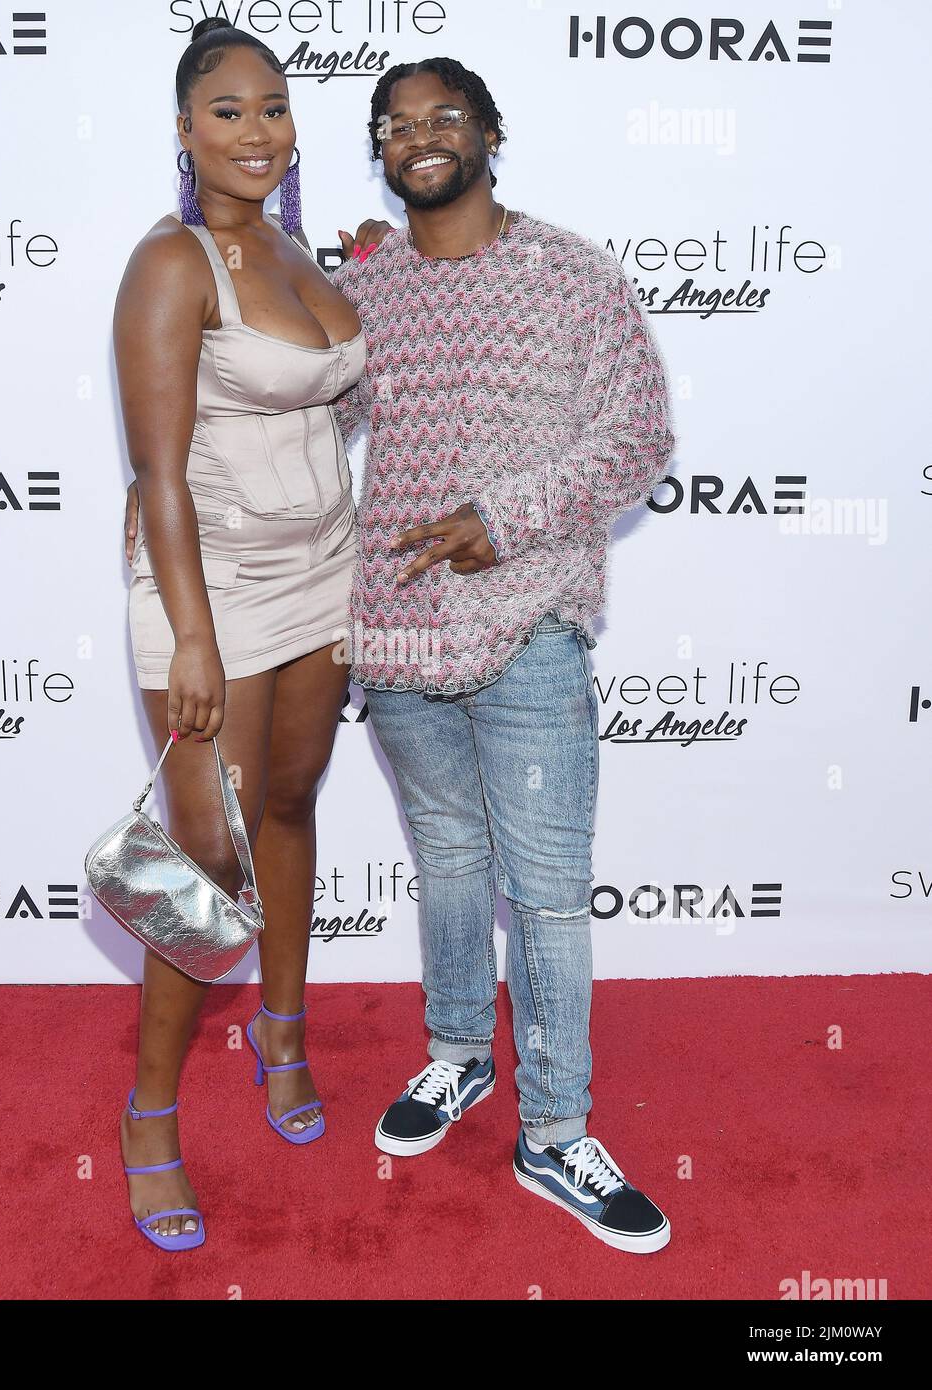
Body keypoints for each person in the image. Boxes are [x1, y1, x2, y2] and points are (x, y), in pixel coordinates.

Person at [326, 59, 677, 1255]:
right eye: (395, 125)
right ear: (379, 151)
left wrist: (506, 516)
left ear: (488, 132)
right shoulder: (365, 286)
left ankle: (557, 1128)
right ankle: (457, 1054)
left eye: (441, 118)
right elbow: (307, 419)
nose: (418, 138)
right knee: (446, 862)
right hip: (393, 626)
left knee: (550, 897)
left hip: (525, 621)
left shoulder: (568, 273)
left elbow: (637, 434)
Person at [112, 17, 367, 1252]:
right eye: (227, 110)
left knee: (288, 806)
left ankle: (281, 1035)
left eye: (271, 107)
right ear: (182, 129)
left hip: (325, 572)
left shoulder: (295, 248)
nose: (255, 130)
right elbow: (157, 473)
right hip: (211, 589)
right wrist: (194, 643)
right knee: (202, 866)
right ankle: (149, 1116)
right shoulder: (171, 264)